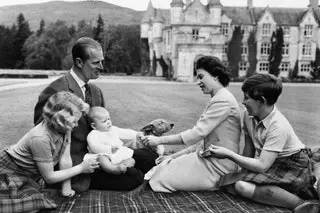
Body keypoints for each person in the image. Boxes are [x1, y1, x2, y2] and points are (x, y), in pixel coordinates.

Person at [34, 37, 157, 191]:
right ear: (79, 62)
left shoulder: (95, 92)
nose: (102, 66)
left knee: (149, 157)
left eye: (102, 61)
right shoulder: (55, 90)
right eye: (96, 62)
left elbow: (104, 128)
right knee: (133, 177)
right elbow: (41, 138)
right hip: (77, 162)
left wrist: (133, 138)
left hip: (101, 153)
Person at [206, 73, 319, 212]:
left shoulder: (278, 126)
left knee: (242, 186)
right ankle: (286, 194)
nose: (243, 102)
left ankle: (303, 205)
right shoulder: (248, 115)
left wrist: (229, 154)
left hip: (293, 164)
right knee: (228, 183)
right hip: (271, 162)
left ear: (261, 101)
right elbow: (249, 149)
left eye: (247, 98)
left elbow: (262, 166)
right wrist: (242, 172)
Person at [142, 55, 242, 192]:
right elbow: (201, 141)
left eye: (201, 76)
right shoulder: (218, 98)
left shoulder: (223, 100)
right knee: (162, 166)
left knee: (159, 179)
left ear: (215, 76)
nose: (198, 81)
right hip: (207, 160)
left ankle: (218, 184)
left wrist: (158, 140)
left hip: (219, 167)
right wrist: (173, 156)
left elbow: (195, 135)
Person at [0, 91, 99, 213]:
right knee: (34, 205)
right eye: (74, 122)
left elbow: (65, 157)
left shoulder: (64, 127)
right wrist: (81, 168)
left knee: (36, 202)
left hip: (29, 176)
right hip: (9, 172)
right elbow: (49, 177)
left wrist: (66, 188)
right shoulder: (40, 138)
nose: (76, 125)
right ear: (59, 121)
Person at [85, 106, 140, 174]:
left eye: (109, 119)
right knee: (102, 159)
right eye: (104, 121)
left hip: (117, 153)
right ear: (94, 126)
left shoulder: (112, 129)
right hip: (104, 155)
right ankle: (112, 169)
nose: (108, 122)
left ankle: (123, 166)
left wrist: (136, 134)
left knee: (131, 160)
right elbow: (94, 147)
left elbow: (124, 132)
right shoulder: (93, 134)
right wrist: (109, 149)